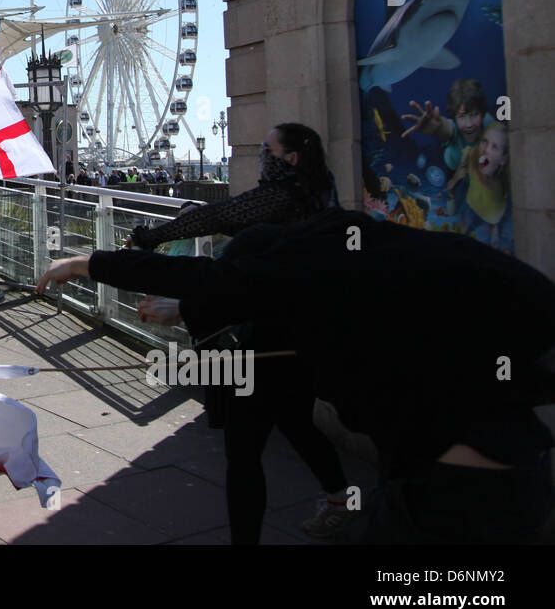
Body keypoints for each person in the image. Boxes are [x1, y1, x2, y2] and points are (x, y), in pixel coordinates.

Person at [39, 208, 555, 545]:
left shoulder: (298, 270)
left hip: (457, 491)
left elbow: (211, 279)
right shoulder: (368, 259)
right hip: (507, 467)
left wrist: (87, 263)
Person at [126, 123, 352, 544]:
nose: (262, 157)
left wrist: (152, 236)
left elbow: (223, 215)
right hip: (301, 336)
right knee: (296, 421)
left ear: (290, 159)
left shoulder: (283, 195)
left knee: (244, 450)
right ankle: (342, 500)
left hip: (264, 337)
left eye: (267, 150)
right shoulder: (321, 192)